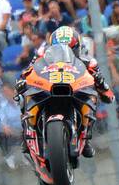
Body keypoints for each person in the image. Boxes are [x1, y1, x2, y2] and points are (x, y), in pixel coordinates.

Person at [14, 26, 113, 158]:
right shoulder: (42, 53)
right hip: (48, 86)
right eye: (57, 49)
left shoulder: (89, 60)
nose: (62, 52)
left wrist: (101, 83)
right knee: (23, 97)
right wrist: (22, 81)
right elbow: (29, 70)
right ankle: (27, 133)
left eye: (69, 49)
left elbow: (108, 96)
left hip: (74, 90)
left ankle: (85, 138)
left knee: (91, 99)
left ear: (77, 48)